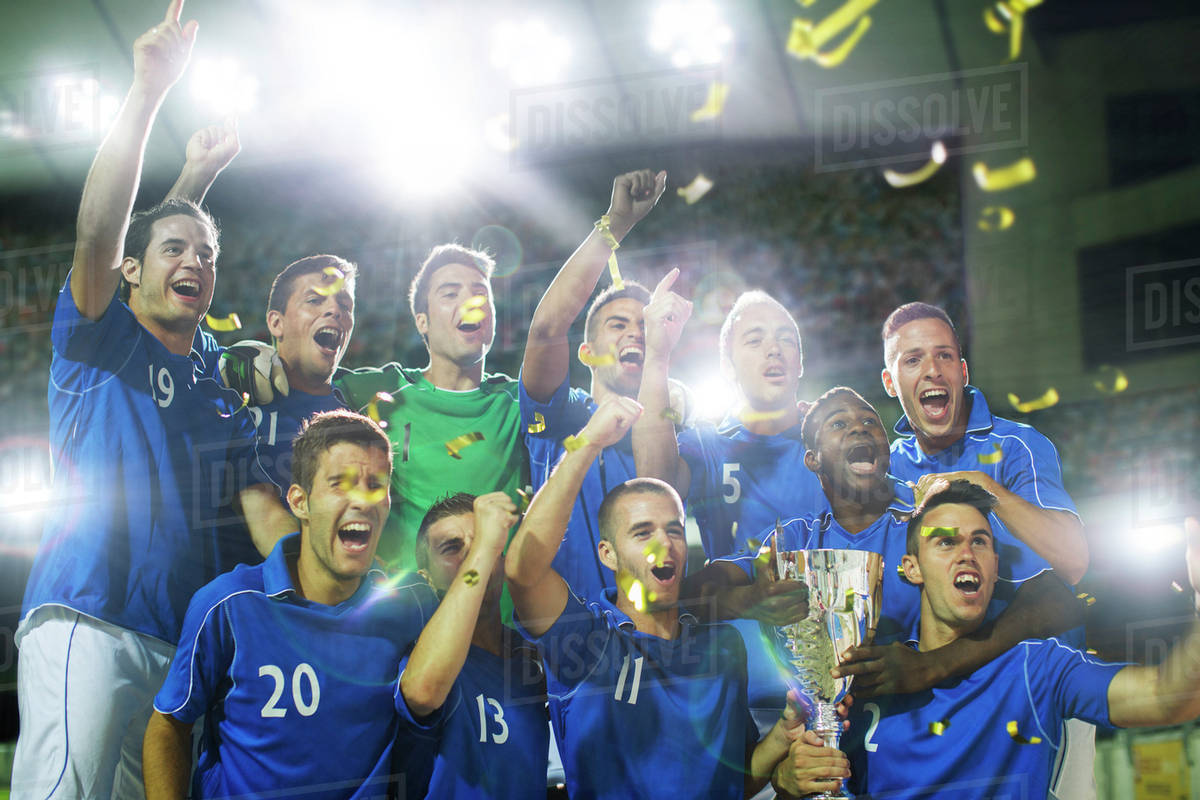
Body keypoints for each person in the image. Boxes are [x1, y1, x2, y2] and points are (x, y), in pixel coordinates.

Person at [12, 3, 286, 796]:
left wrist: (194, 187)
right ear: (133, 274)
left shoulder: (212, 374)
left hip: (175, 640)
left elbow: (156, 243)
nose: (195, 261)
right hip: (87, 616)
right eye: (176, 252)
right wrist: (148, 93)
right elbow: (105, 236)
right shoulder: (103, 336)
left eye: (209, 253)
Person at [143, 410, 515, 799]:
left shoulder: (412, 606)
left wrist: (487, 546)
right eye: (341, 484)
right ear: (300, 502)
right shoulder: (229, 605)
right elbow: (169, 724)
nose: (362, 500)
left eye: (377, 485)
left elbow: (438, 673)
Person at [797, 485, 1200, 800]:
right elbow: (807, 780)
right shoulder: (865, 680)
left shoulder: (1038, 668)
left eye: (980, 542)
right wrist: (788, 777)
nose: (966, 554)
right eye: (945, 542)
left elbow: (1169, 696)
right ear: (912, 568)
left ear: (994, 570)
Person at [506, 396, 819, 799]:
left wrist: (779, 737)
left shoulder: (723, 646)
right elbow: (522, 570)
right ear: (608, 554)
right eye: (642, 532)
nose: (663, 545)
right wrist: (587, 444)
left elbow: (735, 781)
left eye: (673, 529)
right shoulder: (585, 640)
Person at [633, 282, 827, 725]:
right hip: (747, 694)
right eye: (754, 340)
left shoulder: (835, 440)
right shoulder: (708, 443)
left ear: (801, 362)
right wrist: (658, 356)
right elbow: (654, 481)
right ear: (726, 364)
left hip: (840, 678)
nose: (773, 350)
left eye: (786, 340)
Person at [520, 168, 670, 601]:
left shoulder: (674, 429)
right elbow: (547, 327)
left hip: (652, 634)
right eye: (618, 325)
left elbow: (665, 487)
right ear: (585, 353)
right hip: (566, 637)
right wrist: (615, 224)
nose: (634, 334)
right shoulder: (556, 414)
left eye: (644, 327)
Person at [335, 244, 525, 573]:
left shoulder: (520, 402)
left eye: (480, 293)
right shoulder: (378, 392)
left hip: (499, 617)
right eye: (450, 294)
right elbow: (303, 382)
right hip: (409, 614)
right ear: (422, 321)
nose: (470, 301)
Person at [216, 255, 359, 568]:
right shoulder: (232, 391)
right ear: (275, 323)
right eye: (315, 300)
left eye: (345, 305)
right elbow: (261, 509)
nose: (335, 310)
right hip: (233, 599)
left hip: (322, 600)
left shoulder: (357, 418)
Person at [411, 492, 549, 799]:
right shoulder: (416, 658)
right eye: (451, 548)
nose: (474, 557)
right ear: (425, 576)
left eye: (484, 546)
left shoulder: (534, 660)